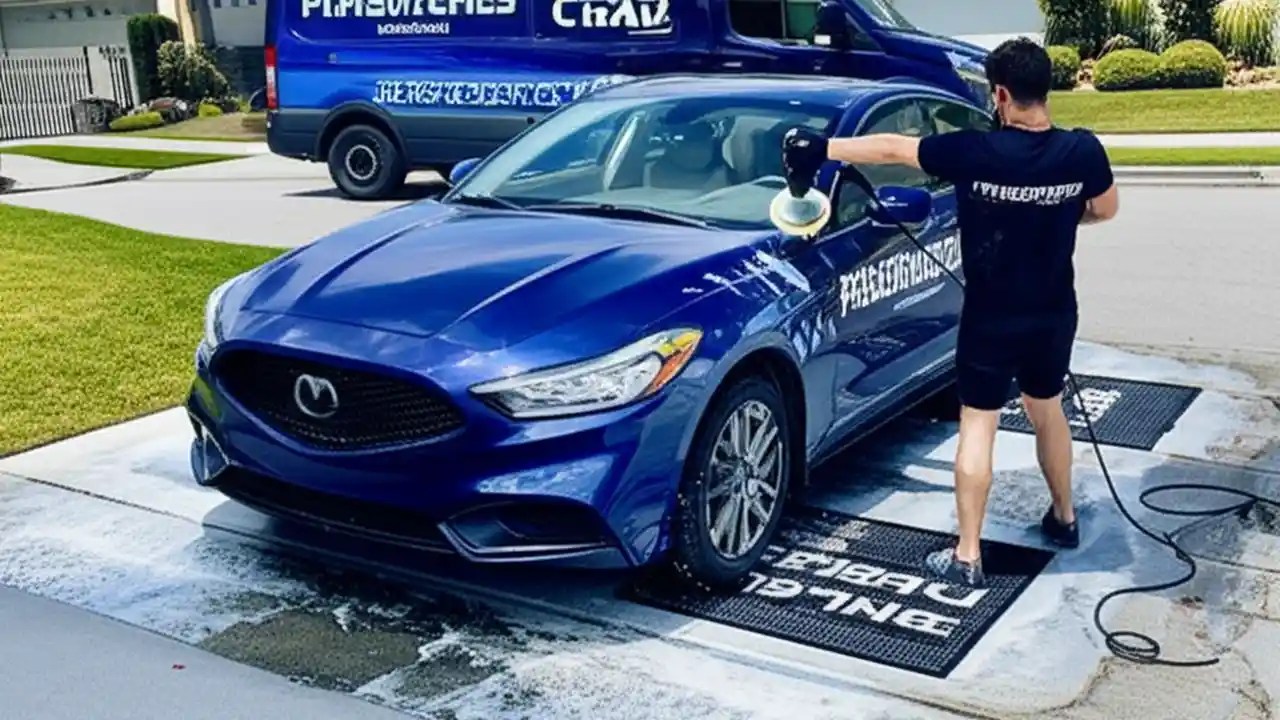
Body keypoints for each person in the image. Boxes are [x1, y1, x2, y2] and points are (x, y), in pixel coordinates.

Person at [781, 37, 1120, 587]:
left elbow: (893, 149)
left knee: (978, 425)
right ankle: (1064, 516)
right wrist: (1054, 213)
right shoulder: (1082, 151)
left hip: (990, 318)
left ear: (1003, 95)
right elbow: (1104, 208)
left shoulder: (973, 151)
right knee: (1048, 410)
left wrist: (822, 149)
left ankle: (967, 555)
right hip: (1053, 313)